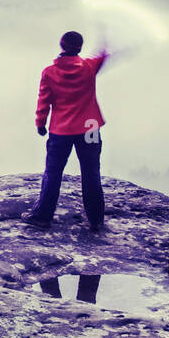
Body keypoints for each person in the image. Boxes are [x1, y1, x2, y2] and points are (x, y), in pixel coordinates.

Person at [22, 30, 108, 230]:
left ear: (61, 45)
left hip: (61, 130)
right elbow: (102, 56)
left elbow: (44, 101)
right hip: (90, 127)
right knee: (91, 173)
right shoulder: (88, 67)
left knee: (53, 173)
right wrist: (104, 42)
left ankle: (43, 216)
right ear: (79, 47)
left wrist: (40, 123)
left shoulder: (49, 72)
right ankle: (96, 220)